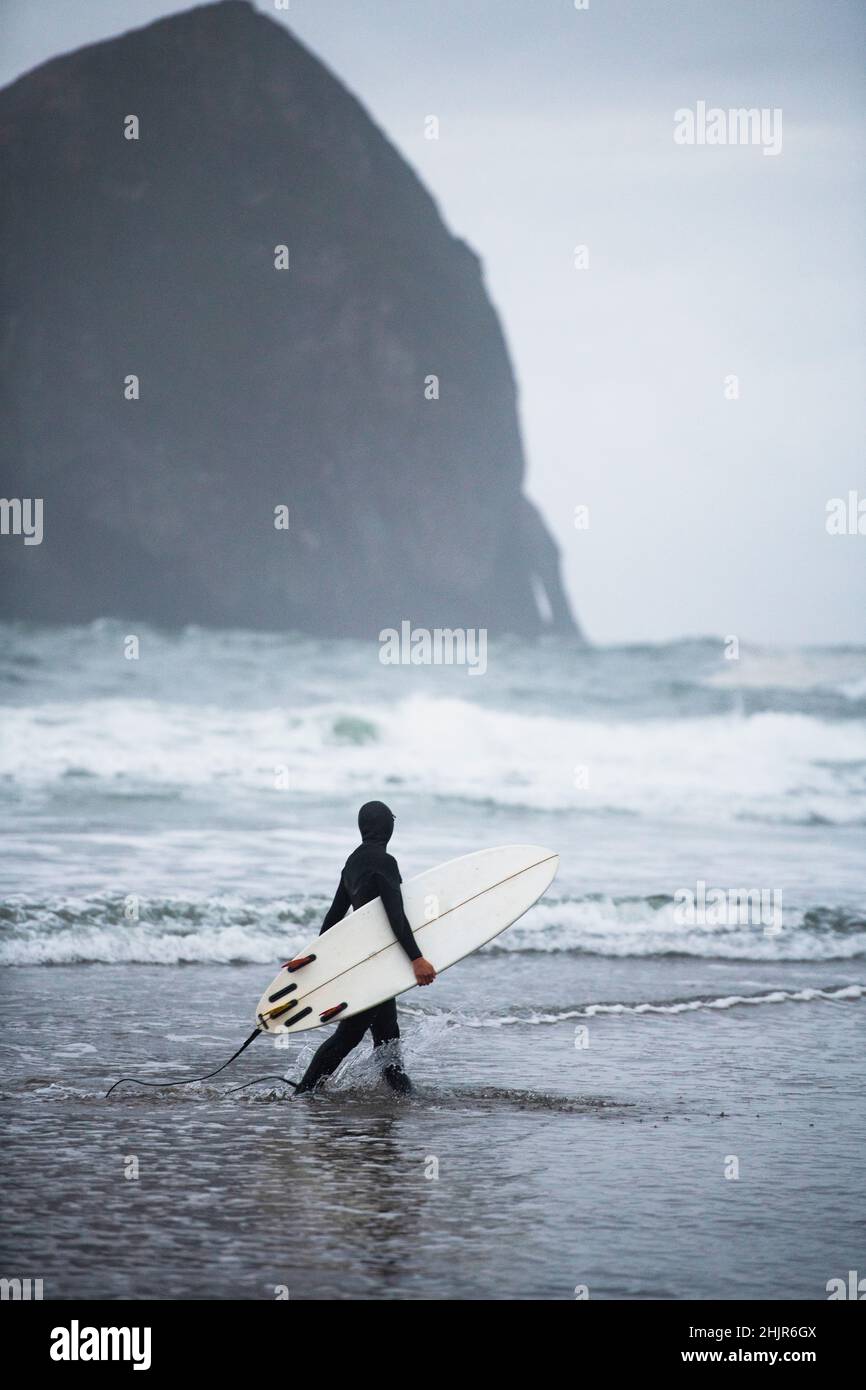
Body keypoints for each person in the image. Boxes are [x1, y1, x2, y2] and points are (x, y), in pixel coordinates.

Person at [294, 801, 436, 1095]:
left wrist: (315, 957)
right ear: (388, 826)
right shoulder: (384, 862)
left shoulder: (353, 861)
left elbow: (334, 917)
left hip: (366, 960)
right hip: (373, 963)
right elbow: (395, 915)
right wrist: (417, 958)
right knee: (350, 1035)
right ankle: (303, 1093)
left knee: (388, 1039)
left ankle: (402, 1097)